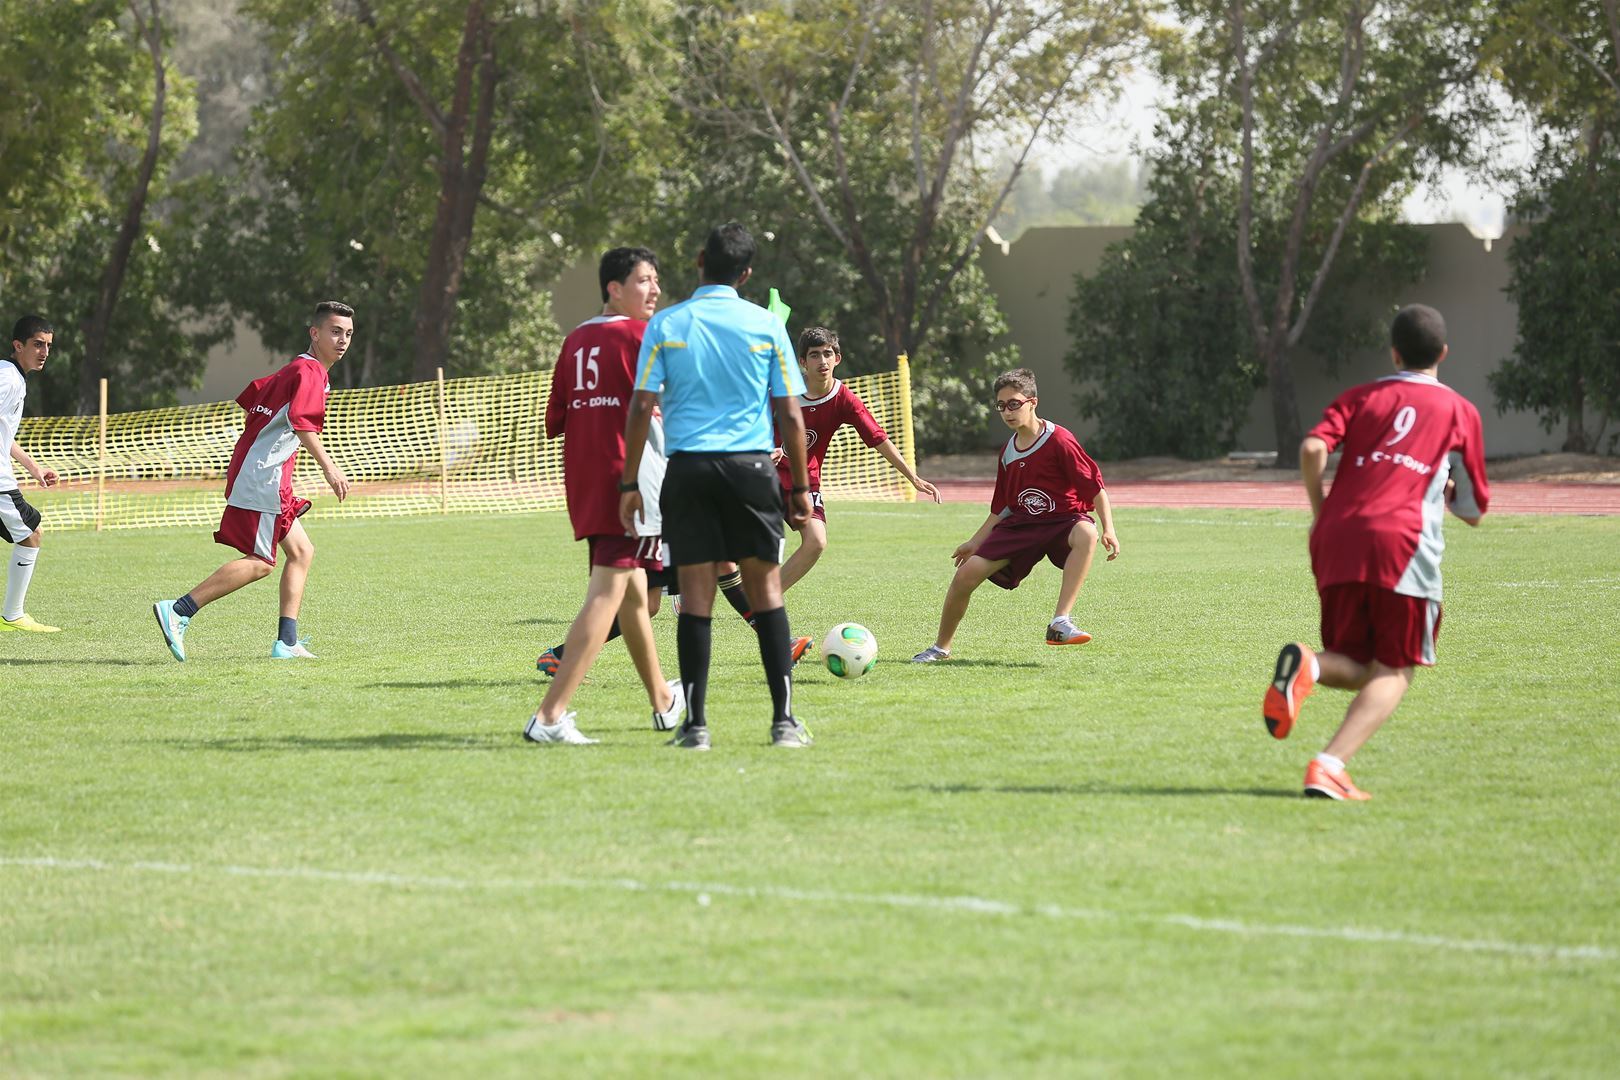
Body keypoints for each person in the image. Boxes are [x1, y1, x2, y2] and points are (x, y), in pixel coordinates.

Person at [1263, 303, 1489, 801]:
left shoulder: (1360, 396)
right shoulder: (1459, 410)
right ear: (1444, 353)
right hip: (1400, 543)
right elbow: (1474, 509)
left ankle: (1310, 665)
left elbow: (1312, 451)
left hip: (1335, 538)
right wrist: (1445, 490)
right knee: (1397, 669)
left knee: (1361, 663)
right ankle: (1328, 765)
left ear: (1393, 352)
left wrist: (1322, 511)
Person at [620, 221, 813, 750]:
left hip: (688, 472)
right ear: (747, 274)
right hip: (751, 471)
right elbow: (790, 415)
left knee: (697, 599)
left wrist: (630, 479)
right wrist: (797, 487)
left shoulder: (667, 323)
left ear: (700, 261)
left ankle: (697, 726)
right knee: (766, 593)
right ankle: (784, 723)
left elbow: (641, 406)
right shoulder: (765, 325)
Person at [522, 247, 684, 745]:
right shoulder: (642, 336)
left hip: (587, 482)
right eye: (643, 280)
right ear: (613, 288)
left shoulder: (574, 340)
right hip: (630, 485)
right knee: (609, 591)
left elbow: (555, 420)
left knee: (635, 595)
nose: (653, 289)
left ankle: (662, 699)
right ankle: (549, 717)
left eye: (655, 280)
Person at [152, 301, 354, 661]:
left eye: (348, 334)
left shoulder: (297, 368)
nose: (342, 340)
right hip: (265, 476)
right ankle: (179, 610)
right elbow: (301, 422)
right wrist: (329, 467)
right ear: (315, 333)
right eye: (335, 331)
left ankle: (286, 643)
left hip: (263, 471)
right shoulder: (309, 373)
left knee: (302, 552)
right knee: (261, 561)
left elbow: (254, 395)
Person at [912, 367, 1119, 663]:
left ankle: (1060, 622)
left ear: (1032, 402)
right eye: (1001, 406)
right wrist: (974, 542)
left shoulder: (1059, 440)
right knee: (965, 576)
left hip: (1062, 522)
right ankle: (940, 648)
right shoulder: (1008, 451)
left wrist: (1109, 529)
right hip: (1022, 526)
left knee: (1087, 532)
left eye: (1014, 404)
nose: (1007, 412)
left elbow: (1095, 488)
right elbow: (1002, 508)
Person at [771, 326, 940, 593]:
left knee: (816, 542)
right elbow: (748, 422)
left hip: (804, 480)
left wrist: (913, 477)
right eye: (814, 355)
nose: (822, 361)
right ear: (802, 362)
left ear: (838, 358)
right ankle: (694, 585)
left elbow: (878, 437)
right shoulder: (782, 391)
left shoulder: (843, 398)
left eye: (828, 353)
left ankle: (765, 599)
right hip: (764, 474)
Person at [1, 315, 62, 633]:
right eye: (38, 344)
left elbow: (4, 436)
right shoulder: (8, 378)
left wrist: (34, 468)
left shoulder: (13, 377)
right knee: (31, 533)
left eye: (48, 346)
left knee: (30, 532)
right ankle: (12, 615)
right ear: (18, 345)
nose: (44, 352)